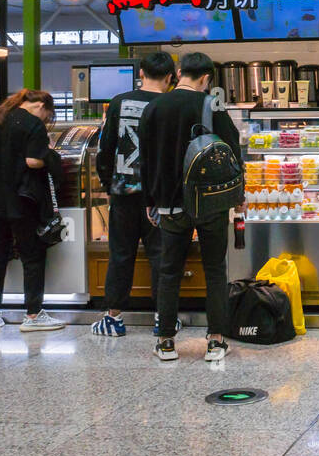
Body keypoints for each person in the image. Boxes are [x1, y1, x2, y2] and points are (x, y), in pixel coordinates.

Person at [139, 52, 241, 362]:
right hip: (210, 201)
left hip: (170, 203)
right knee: (214, 270)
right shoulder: (212, 105)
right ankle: (215, 341)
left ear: (179, 72)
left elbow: (145, 157)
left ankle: (167, 342)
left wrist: (150, 200)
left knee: (169, 271)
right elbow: (232, 148)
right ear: (207, 78)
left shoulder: (155, 106)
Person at [91, 52, 175, 337]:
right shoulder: (170, 104)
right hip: (160, 196)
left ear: (141, 73)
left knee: (121, 254)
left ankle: (113, 318)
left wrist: (108, 184)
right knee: (161, 256)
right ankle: (163, 318)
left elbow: (105, 149)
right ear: (170, 77)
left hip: (124, 193)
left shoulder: (118, 102)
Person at [0, 88, 67, 333]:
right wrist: (52, 157)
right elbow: (33, 161)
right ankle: (33, 315)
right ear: (42, 106)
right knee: (32, 256)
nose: (47, 119)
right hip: (21, 201)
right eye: (48, 115)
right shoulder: (32, 124)